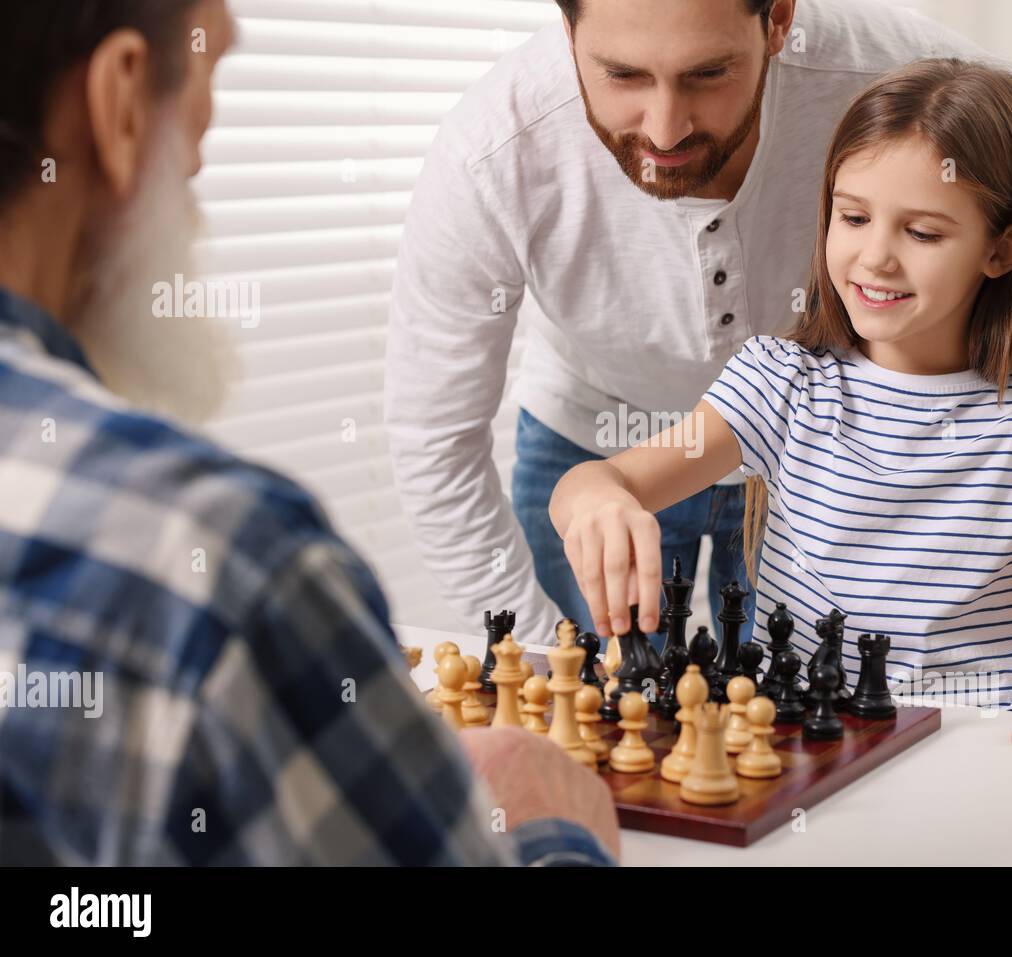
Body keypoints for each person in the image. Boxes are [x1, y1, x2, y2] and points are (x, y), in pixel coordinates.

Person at [385, 0, 1012, 650]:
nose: (666, 128)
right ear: (567, 28)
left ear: (779, 18)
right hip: (599, 431)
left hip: (816, 448)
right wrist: (543, 654)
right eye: (624, 74)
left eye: (709, 73)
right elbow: (435, 441)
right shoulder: (489, 153)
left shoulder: (875, 64)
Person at [0, 0, 618, 865]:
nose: (200, 168)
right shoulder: (223, 564)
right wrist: (553, 829)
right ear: (123, 100)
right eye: (207, 92)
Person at [549, 58, 1012, 774]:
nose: (875, 257)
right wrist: (599, 502)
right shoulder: (781, 383)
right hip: (803, 752)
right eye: (853, 216)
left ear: (1001, 249)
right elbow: (596, 481)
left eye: (922, 233)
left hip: (989, 762)